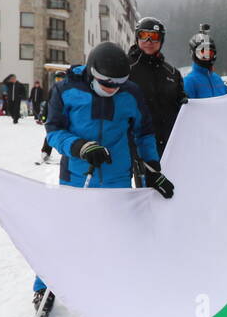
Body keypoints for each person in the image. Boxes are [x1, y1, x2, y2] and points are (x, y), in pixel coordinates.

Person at [33, 42, 174, 303]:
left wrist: (153, 169)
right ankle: (45, 285)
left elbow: (143, 133)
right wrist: (80, 146)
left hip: (117, 177)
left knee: (120, 234)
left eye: (118, 84)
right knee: (65, 233)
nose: (112, 89)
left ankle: (120, 282)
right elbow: (53, 131)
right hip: (76, 176)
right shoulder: (66, 90)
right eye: (107, 83)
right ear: (92, 72)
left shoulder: (130, 94)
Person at [127, 16, 186, 156]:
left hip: (167, 144)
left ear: (161, 40)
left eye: (154, 36)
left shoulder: (172, 73)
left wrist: (183, 100)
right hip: (136, 144)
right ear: (137, 37)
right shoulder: (125, 67)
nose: (149, 41)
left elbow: (179, 102)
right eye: (144, 36)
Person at [182, 23, 227, 99]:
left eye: (209, 54)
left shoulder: (217, 79)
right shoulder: (189, 81)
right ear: (194, 54)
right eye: (202, 53)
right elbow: (186, 108)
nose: (206, 58)